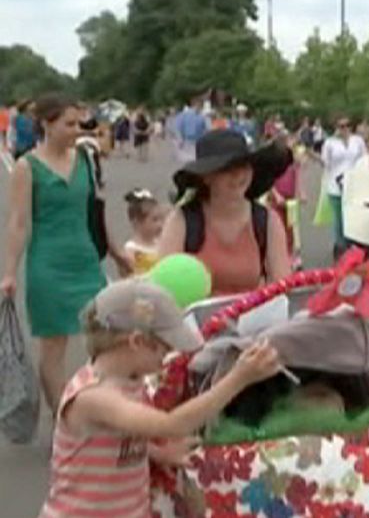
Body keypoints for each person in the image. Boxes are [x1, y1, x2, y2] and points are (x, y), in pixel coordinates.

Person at [39, 279, 281, 518]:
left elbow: (118, 437)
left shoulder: (131, 381)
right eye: (164, 348)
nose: (167, 357)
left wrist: (156, 452)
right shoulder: (94, 397)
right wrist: (238, 378)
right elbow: (171, 425)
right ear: (137, 341)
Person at [1, 94, 127, 415]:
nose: (76, 130)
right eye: (68, 124)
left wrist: (117, 253)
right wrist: (10, 272)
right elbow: (18, 223)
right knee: (54, 347)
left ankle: (98, 406)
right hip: (48, 265)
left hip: (85, 261)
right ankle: (64, 419)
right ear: (47, 124)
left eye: (78, 123)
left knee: (105, 339)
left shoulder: (85, 158)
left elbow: (94, 215)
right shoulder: (27, 167)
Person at [158, 129, 293, 296]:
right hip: (195, 320)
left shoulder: (267, 221)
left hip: (254, 318)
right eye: (226, 169)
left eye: (243, 166)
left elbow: (282, 287)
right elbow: (162, 288)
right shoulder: (182, 220)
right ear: (206, 177)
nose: (238, 175)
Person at [319, 116, 366, 258]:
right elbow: (325, 163)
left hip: (354, 184)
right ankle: (340, 246)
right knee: (339, 219)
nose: (344, 129)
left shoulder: (358, 141)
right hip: (335, 185)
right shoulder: (329, 143)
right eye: (341, 126)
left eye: (347, 125)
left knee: (353, 217)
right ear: (336, 128)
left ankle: (353, 245)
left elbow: (363, 159)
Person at [267, 135, 307, 270]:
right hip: (276, 199)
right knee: (278, 228)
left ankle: (292, 256)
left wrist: (301, 193)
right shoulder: (274, 162)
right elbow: (269, 180)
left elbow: (298, 177)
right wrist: (276, 195)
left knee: (291, 228)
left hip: (290, 200)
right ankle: (277, 257)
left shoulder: (294, 162)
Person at [124, 188, 166, 275]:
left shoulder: (162, 243)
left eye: (161, 219)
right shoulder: (131, 250)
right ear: (137, 223)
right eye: (154, 220)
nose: (160, 225)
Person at [175, 94, 208, 163]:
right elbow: (206, 130)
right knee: (194, 161)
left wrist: (180, 140)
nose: (202, 107)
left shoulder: (183, 115)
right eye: (201, 105)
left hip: (190, 141)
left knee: (192, 161)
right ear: (196, 104)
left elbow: (177, 129)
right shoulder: (200, 117)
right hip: (191, 142)